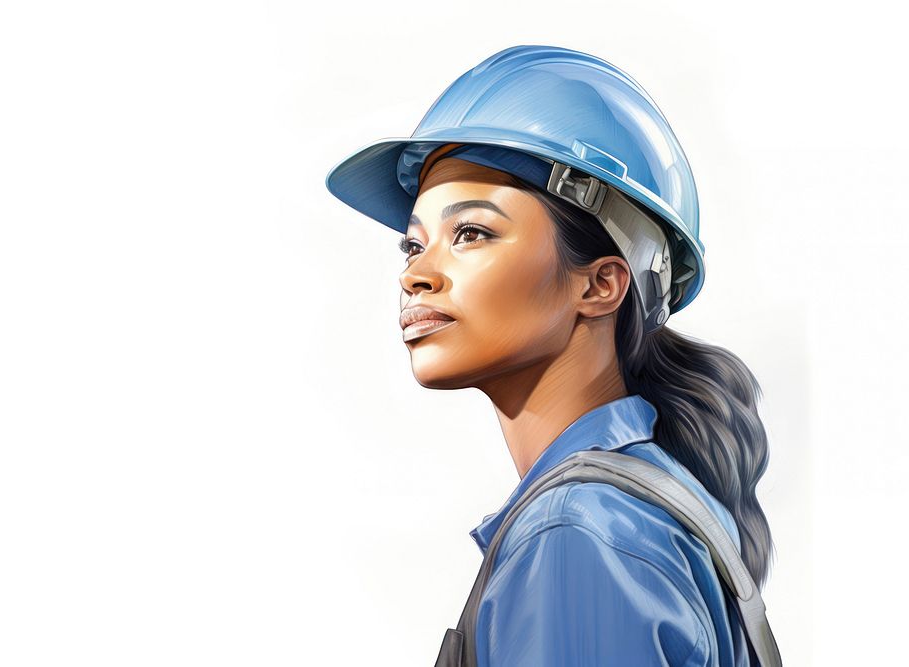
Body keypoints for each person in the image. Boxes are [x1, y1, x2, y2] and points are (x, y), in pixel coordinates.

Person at [325, 46, 774, 666]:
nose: (416, 276)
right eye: (413, 246)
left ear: (599, 285)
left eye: (472, 234)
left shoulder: (577, 533)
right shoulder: (634, 504)